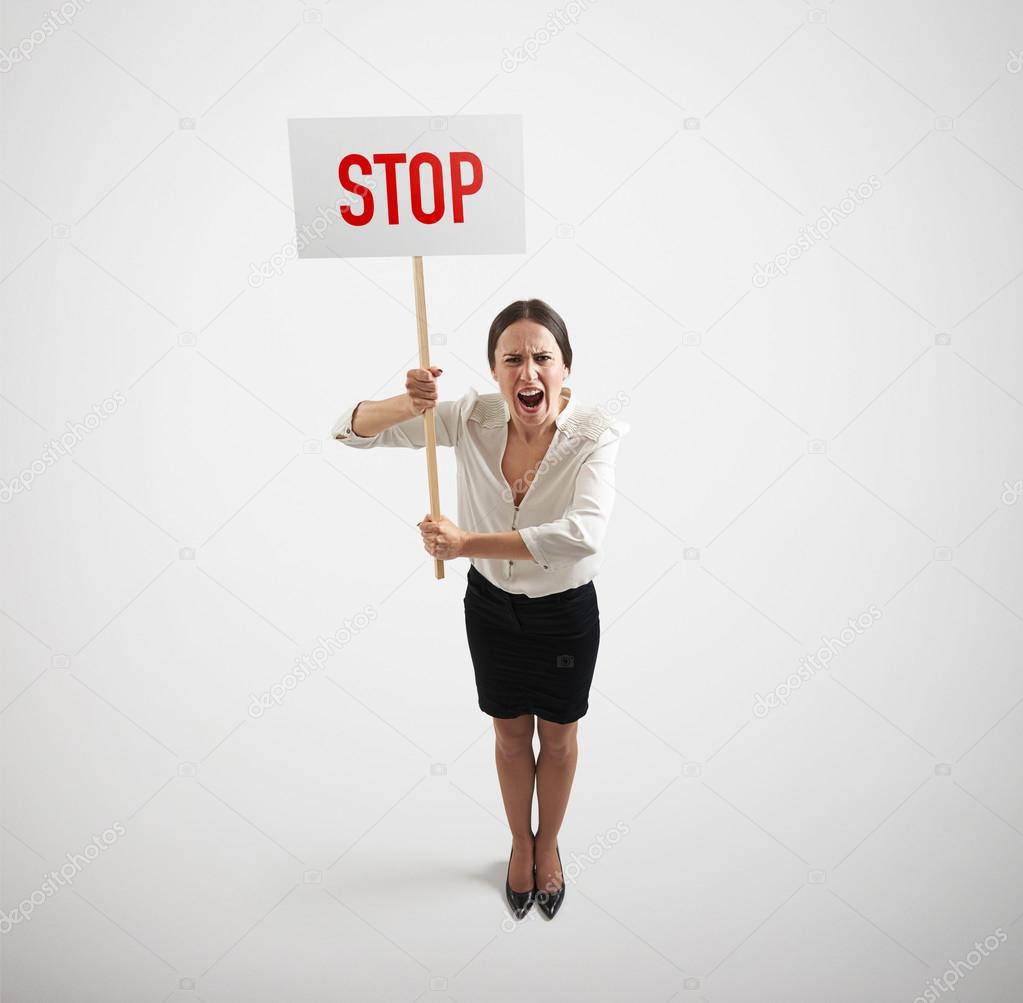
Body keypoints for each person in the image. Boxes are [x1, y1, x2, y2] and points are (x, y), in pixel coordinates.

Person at [330, 298, 629, 920]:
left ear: (566, 368)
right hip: (491, 608)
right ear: (493, 372)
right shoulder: (470, 417)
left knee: (562, 735)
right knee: (510, 733)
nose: (529, 372)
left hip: (564, 610)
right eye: (512, 359)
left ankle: (550, 845)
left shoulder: (596, 434)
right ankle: (520, 843)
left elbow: (583, 534)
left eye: (542, 357)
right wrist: (404, 404)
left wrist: (467, 543)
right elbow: (350, 430)